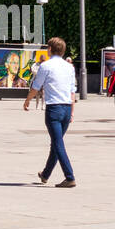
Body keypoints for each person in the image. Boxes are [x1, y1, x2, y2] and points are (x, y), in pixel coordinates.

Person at [24, 37, 77, 188]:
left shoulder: (45, 66)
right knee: (56, 142)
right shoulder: (69, 67)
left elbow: (36, 86)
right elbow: (72, 91)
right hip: (66, 108)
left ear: (49, 49)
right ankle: (46, 174)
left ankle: (70, 176)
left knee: (58, 143)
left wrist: (27, 100)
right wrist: (72, 112)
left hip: (54, 109)